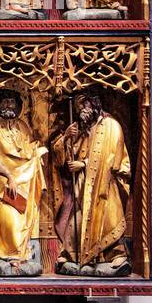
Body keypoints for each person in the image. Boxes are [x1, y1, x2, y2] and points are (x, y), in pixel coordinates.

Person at [52, 91, 132, 277]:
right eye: (79, 107)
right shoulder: (83, 130)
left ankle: (117, 254)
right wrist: (66, 138)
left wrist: (84, 164)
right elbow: (65, 156)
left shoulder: (111, 126)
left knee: (107, 219)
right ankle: (73, 255)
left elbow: (113, 157)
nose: (82, 110)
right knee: (78, 219)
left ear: (95, 104)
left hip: (105, 185)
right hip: (83, 186)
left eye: (85, 105)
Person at [0, 90, 47, 276]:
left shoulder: (22, 126)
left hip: (25, 181)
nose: (9, 106)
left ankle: (20, 256)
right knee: (9, 219)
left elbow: (29, 148)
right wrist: (9, 176)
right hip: (3, 184)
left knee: (24, 219)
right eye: (5, 102)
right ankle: (5, 254)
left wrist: (37, 152)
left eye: (12, 102)